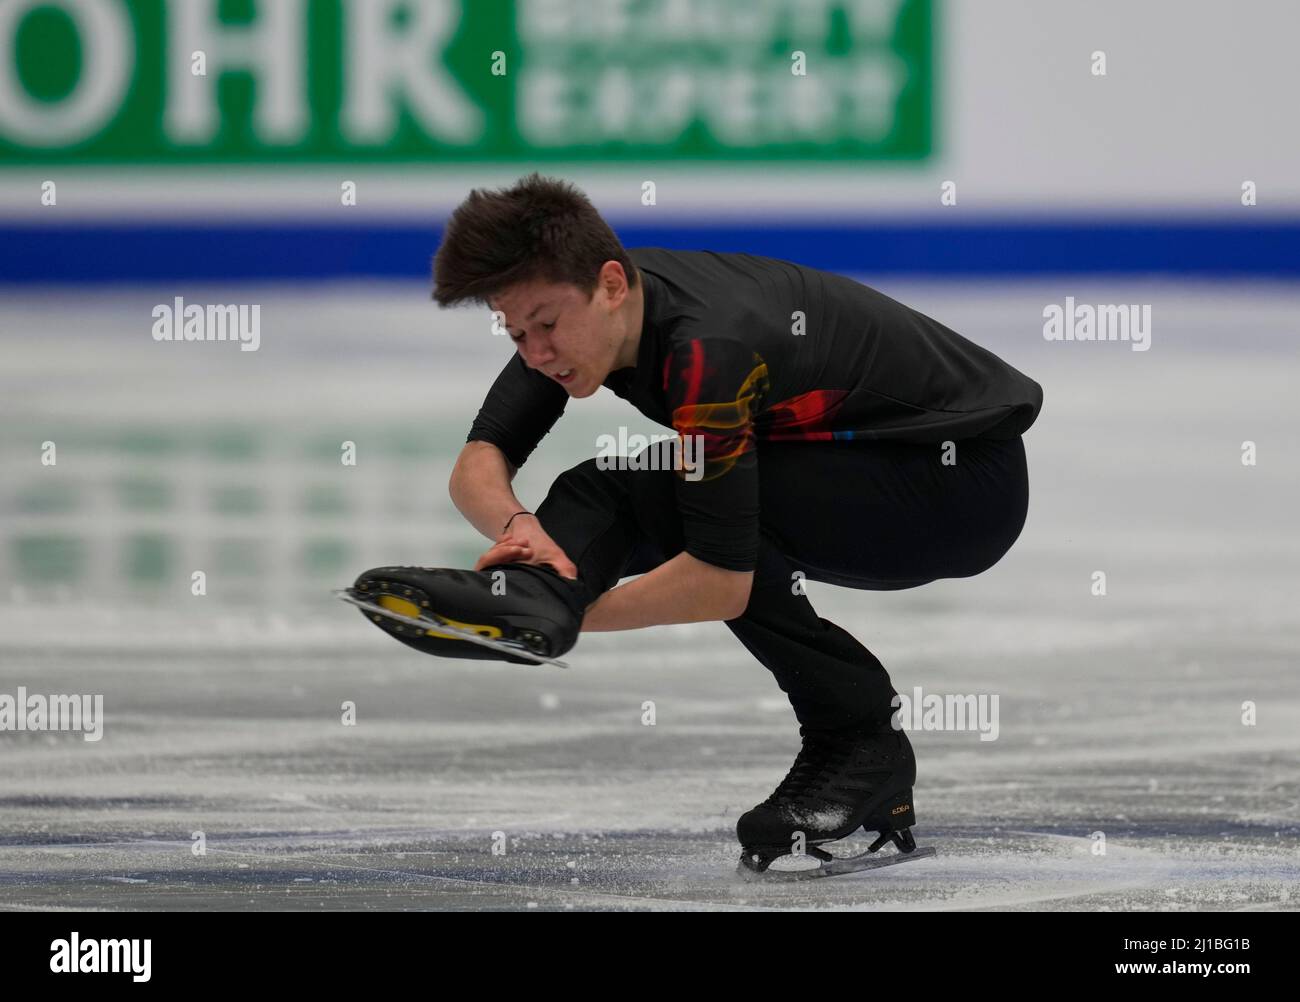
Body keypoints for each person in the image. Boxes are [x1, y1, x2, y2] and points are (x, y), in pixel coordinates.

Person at [347, 173, 1043, 876]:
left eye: (546, 326)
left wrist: (566, 619)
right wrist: (521, 531)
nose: (534, 352)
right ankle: (537, 592)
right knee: (609, 488)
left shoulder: (707, 349)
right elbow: (478, 460)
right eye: (514, 331)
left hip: (956, 484)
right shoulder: (585, 303)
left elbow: (720, 581)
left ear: (610, 285)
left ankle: (860, 744)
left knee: (685, 500)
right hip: (864, 456)